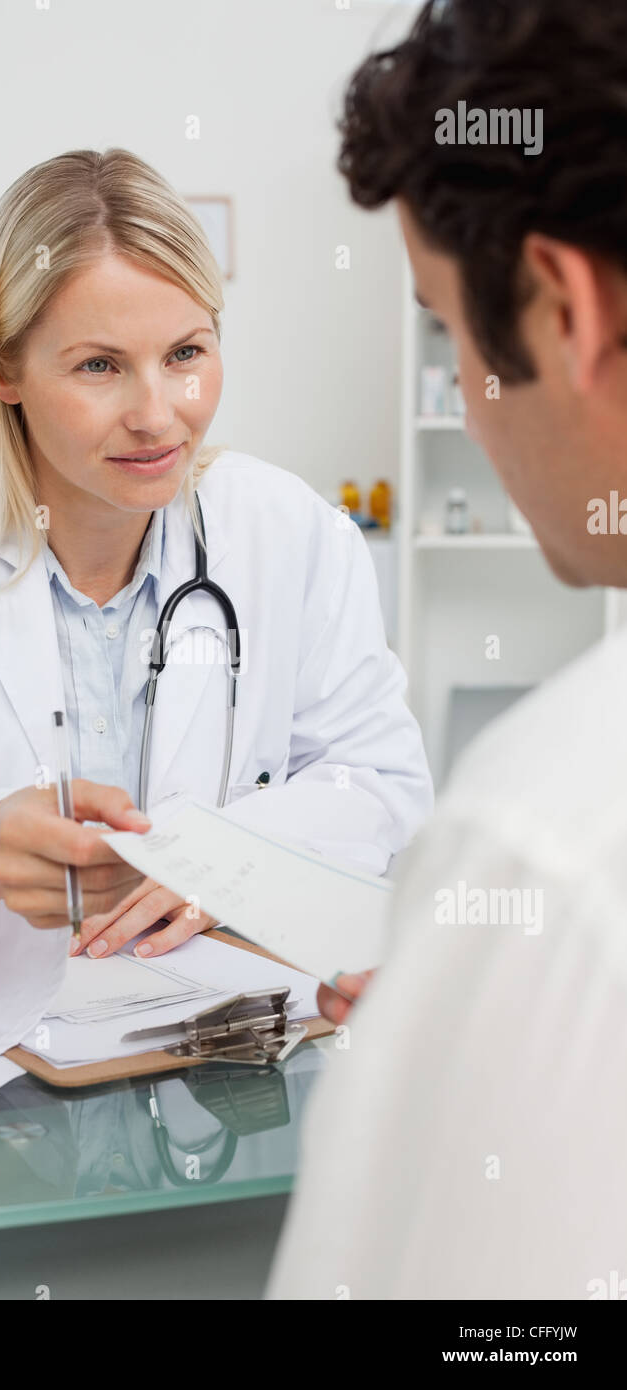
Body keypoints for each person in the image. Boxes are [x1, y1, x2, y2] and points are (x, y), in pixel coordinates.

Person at [0, 149, 432, 1059]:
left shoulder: (292, 535)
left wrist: (225, 867)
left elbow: (382, 785)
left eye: (186, 354)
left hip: (219, 1070)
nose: (159, 415)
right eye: (100, 366)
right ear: (6, 369)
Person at [269, 0, 627, 1299]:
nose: (467, 408)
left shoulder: (551, 829)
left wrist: (465, 1018)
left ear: (556, 305)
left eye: (445, 329)